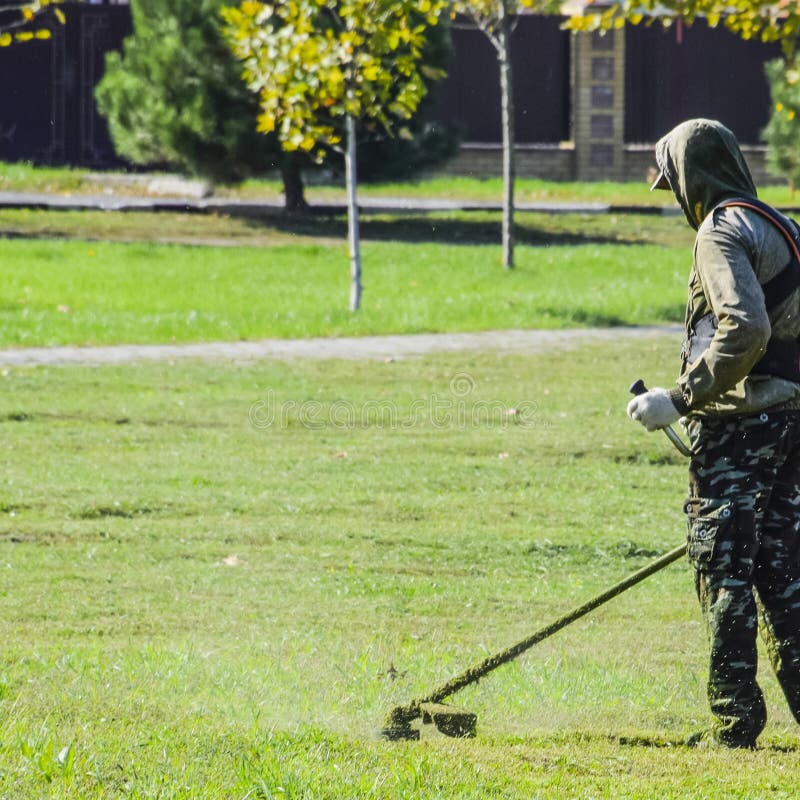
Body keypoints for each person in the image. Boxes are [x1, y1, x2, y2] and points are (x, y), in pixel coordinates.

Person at [626, 118, 800, 749]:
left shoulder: (719, 231)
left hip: (739, 431)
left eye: (672, 183)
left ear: (688, 179)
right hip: (788, 426)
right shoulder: (781, 226)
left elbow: (746, 328)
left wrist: (678, 397)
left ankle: (734, 727)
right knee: (785, 575)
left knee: (724, 567)